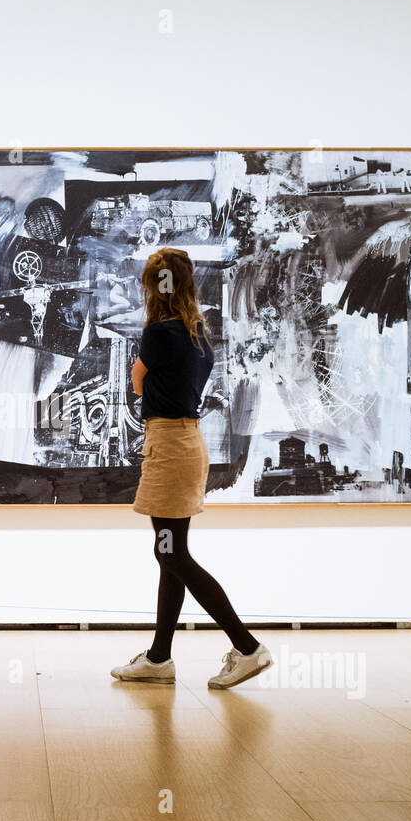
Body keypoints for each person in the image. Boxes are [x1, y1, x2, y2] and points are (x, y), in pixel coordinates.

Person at [111, 247, 272, 689]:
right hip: (186, 444)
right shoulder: (198, 333)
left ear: (153, 286)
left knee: (171, 553)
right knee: (170, 555)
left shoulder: (158, 332)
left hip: (168, 448)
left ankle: (247, 648)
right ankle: (159, 658)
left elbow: (137, 381)